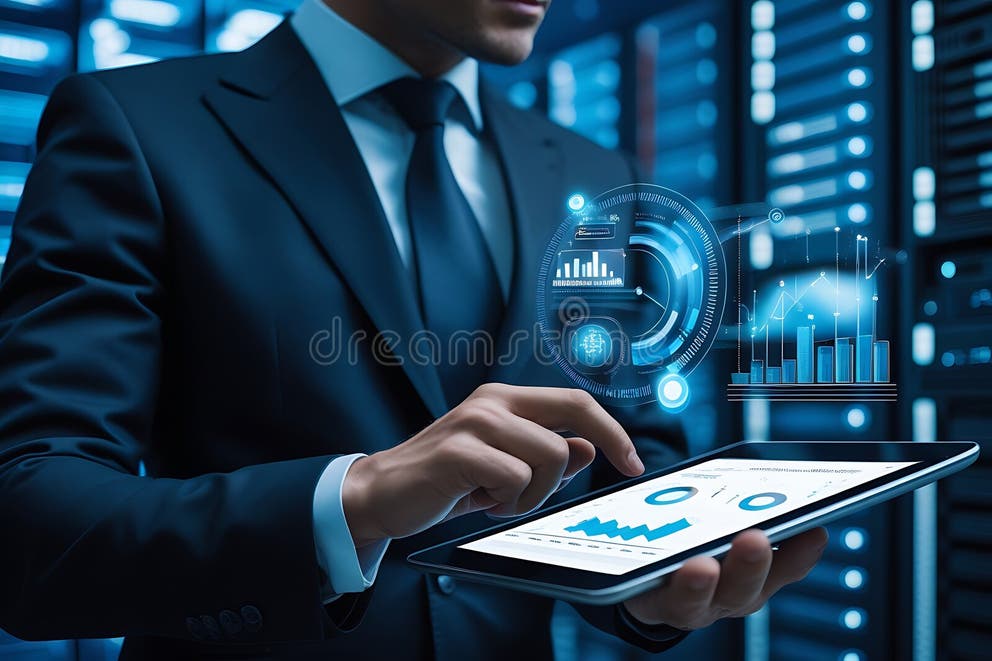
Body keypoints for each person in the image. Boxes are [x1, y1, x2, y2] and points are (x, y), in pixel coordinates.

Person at [0, 0, 827, 658]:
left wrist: (651, 590)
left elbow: (627, 463)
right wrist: (353, 500)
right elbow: (32, 522)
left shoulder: (590, 174)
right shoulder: (140, 128)